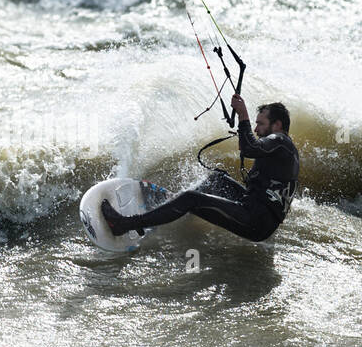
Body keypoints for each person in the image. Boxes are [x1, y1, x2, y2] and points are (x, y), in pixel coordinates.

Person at [101, 95, 299, 243]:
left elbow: (249, 148)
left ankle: (126, 224)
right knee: (217, 179)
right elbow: (250, 147)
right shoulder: (283, 148)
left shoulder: (280, 141)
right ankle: (171, 207)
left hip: (257, 220)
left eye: (260, 124)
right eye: (255, 124)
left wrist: (243, 114)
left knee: (190, 198)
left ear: (277, 124)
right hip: (256, 210)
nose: (256, 130)